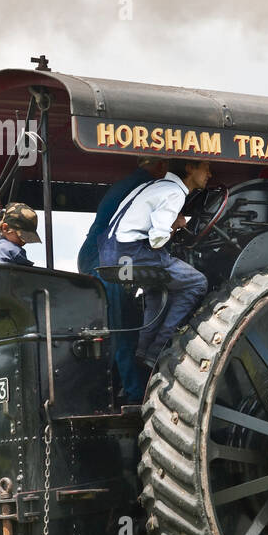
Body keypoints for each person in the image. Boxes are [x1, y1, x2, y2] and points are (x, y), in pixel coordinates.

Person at [99, 158, 211, 385]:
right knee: (197, 282)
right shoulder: (175, 193)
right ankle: (159, 349)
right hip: (132, 254)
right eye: (206, 167)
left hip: (111, 253)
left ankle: (142, 351)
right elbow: (157, 239)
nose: (210, 173)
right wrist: (175, 226)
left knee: (156, 289)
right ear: (190, 168)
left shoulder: (150, 185)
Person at [78, 158, 168, 402]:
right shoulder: (146, 188)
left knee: (122, 327)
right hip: (107, 262)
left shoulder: (130, 184)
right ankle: (133, 395)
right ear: (160, 167)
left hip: (104, 259)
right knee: (122, 330)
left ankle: (125, 389)